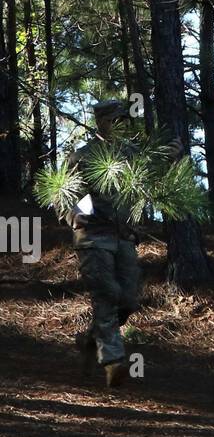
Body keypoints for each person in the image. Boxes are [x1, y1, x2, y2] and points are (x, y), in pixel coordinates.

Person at [66, 99, 145, 389]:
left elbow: (151, 180)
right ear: (101, 121)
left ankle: (90, 341)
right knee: (107, 294)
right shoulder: (81, 157)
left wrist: (171, 156)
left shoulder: (132, 155)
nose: (121, 125)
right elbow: (64, 197)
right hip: (93, 237)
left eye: (124, 119)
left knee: (128, 299)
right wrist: (75, 217)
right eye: (115, 119)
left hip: (123, 237)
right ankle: (113, 362)